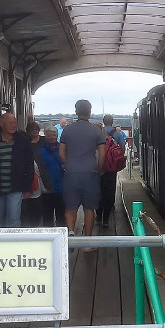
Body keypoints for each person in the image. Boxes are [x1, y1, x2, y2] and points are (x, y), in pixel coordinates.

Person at [59, 99, 106, 249]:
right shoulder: (96, 131)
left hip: (71, 173)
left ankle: (70, 235)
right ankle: (87, 244)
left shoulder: (67, 130)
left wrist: (69, 164)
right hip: (90, 173)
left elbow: (61, 153)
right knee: (89, 208)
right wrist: (98, 169)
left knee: (70, 207)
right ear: (90, 112)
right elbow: (103, 154)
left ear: (76, 111)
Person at [98, 113, 128, 229]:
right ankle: (110, 205)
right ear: (112, 121)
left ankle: (98, 213)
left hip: (99, 166)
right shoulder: (117, 133)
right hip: (111, 166)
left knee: (99, 188)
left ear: (103, 121)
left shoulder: (99, 132)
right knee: (110, 187)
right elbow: (122, 148)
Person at [21, 120, 50, 226]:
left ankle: (38, 224)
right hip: (31, 175)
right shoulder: (25, 143)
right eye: (32, 130)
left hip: (42, 173)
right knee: (28, 205)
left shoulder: (44, 141)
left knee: (40, 203)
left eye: (36, 130)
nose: (35, 132)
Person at [39, 125, 65, 226]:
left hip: (61, 187)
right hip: (46, 188)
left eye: (54, 135)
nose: (51, 137)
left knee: (61, 216)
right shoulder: (40, 150)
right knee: (47, 217)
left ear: (57, 135)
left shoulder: (62, 149)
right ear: (45, 135)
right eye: (49, 135)